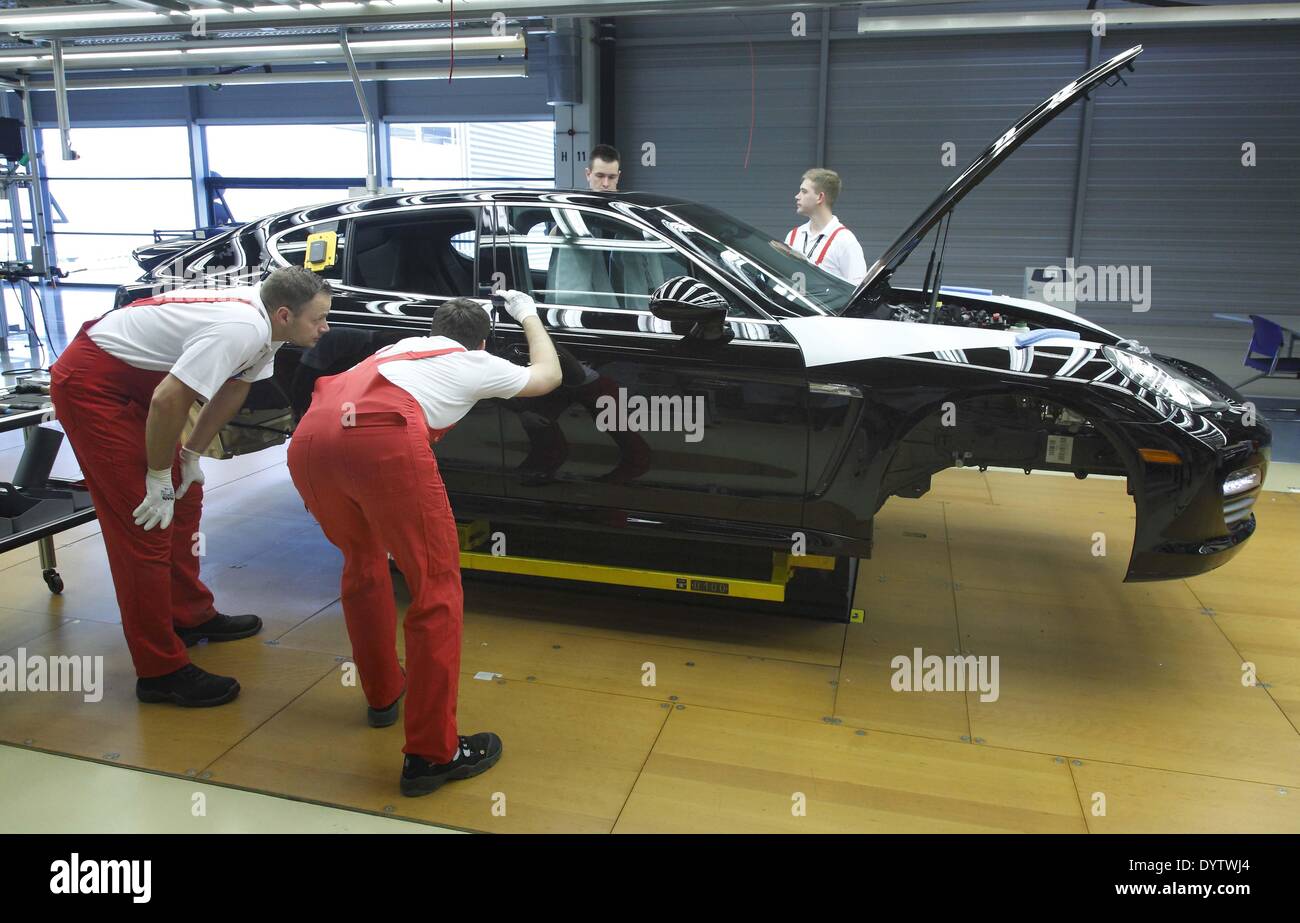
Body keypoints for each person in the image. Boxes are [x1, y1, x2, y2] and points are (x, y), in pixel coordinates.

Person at [286, 292, 562, 796]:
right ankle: (432, 755)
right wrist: (528, 313)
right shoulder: (475, 361)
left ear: (434, 328)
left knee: (363, 562)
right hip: (381, 441)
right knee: (435, 588)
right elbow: (548, 376)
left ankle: (384, 695)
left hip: (309, 440)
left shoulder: (399, 347)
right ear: (481, 340)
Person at [48, 267, 332, 707]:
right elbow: (169, 399)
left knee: (186, 494)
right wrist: (158, 475)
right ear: (284, 314)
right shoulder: (242, 327)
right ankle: (160, 671)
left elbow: (234, 390)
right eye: (318, 319)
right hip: (93, 386)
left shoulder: (268, 328)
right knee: (143, 522)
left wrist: (189, 456)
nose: (325, 328)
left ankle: (188, 613)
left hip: (141, 380)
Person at [787, 168, 868, 285]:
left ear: (820, 197)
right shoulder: (793, 236)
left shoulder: (845, 241)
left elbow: (858, 291)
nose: (797, 196)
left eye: (804, 192)